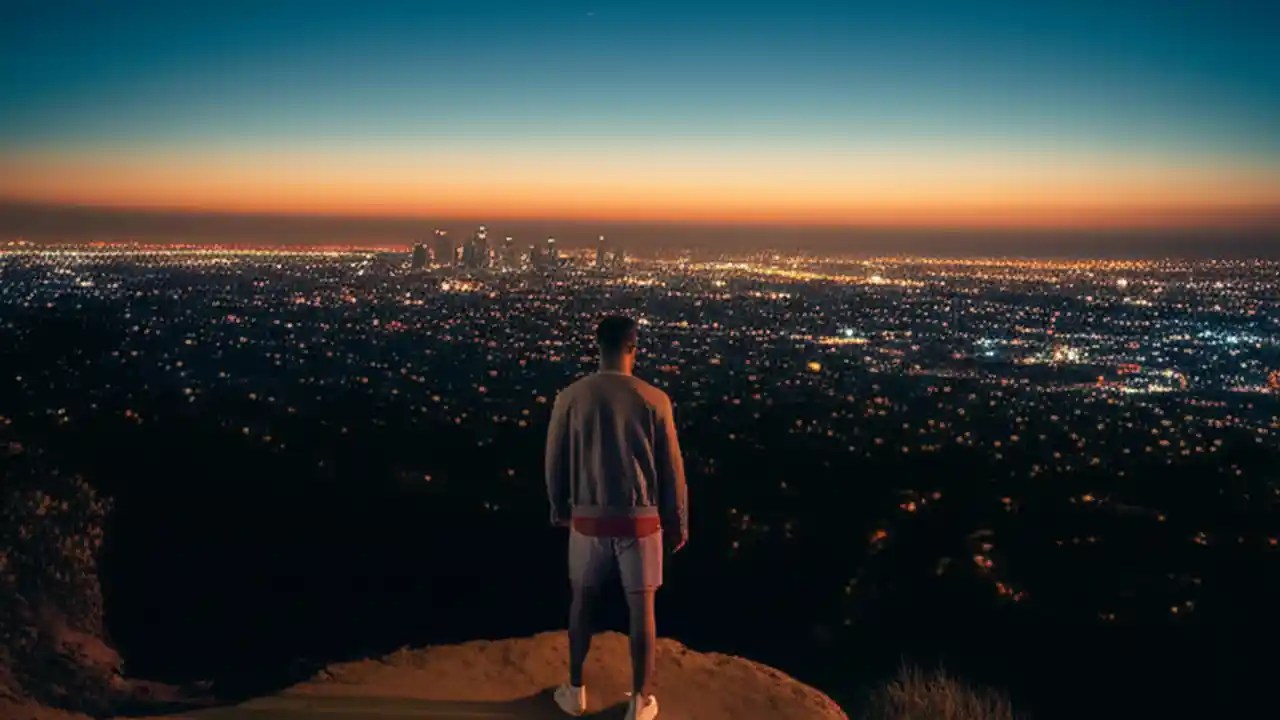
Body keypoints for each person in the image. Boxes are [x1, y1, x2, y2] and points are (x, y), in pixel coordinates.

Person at [545, 315, 689, 720]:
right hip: (641, 522)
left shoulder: (571, 396)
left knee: (581, 603)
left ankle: (575, 690)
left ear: (598, 346)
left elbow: (554, 459)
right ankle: (640, 701)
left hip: (587, 518)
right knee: (642, 610)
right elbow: (672, 468)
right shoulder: (655, 399)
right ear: (633, 347)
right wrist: (677, 521)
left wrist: (559, 507)